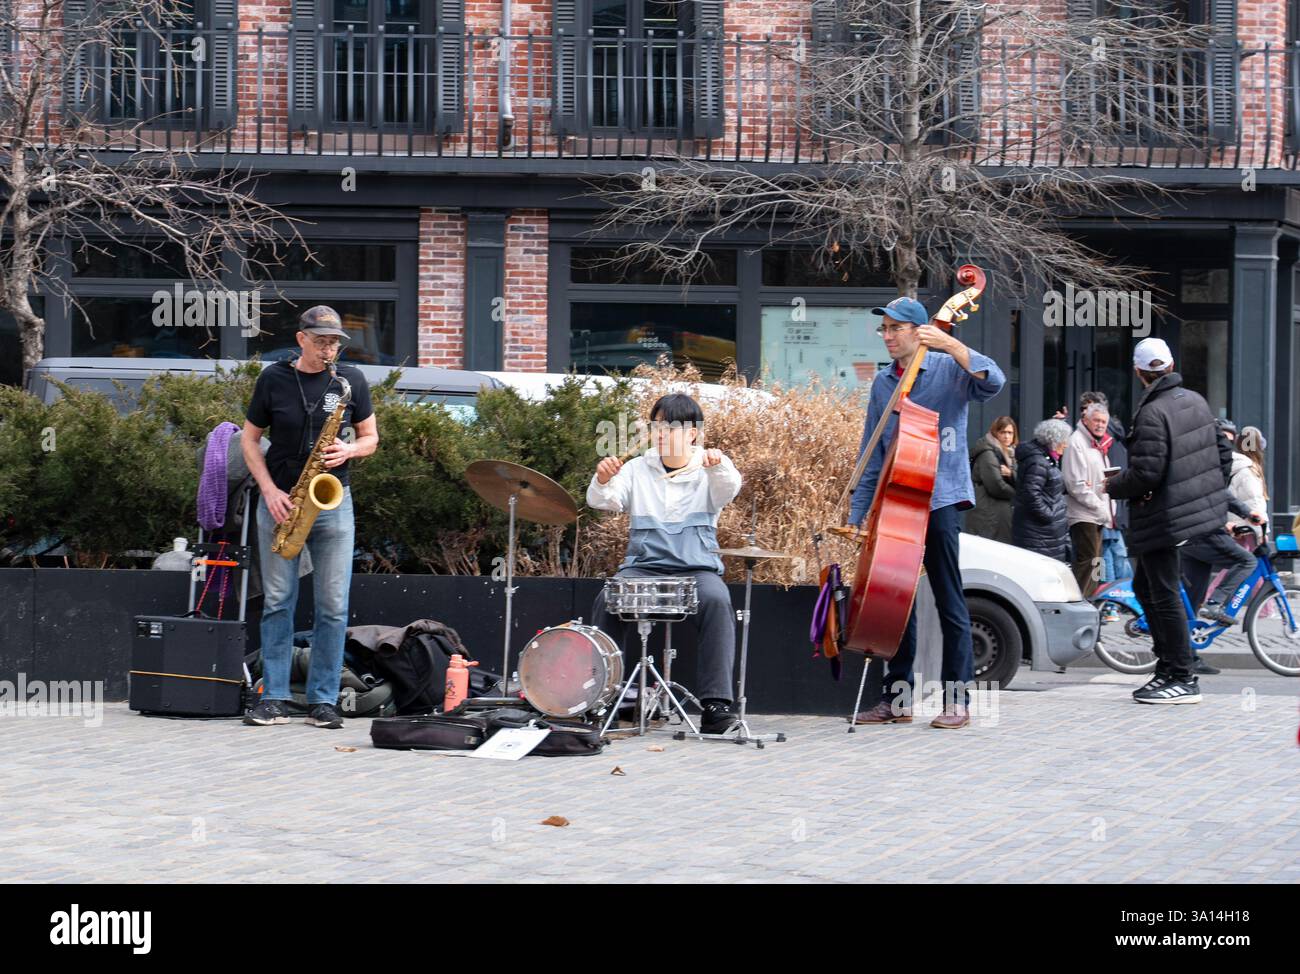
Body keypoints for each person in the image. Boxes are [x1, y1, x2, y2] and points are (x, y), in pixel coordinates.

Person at [847, 296, 1005, 729]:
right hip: (895, 502)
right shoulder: (883, 383)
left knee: (951, 599)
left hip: (939, 499)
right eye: (885, 329)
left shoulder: (950, 370)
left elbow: (994, 381)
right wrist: (857, 513)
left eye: (896, 328)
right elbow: (874, 451)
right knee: (897, 603)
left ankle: (958, 702)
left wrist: (953, 346)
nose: (888, 336)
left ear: (920, 331)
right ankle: (897, 700)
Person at [241, 307, 378, 727]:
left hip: (334, 502)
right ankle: (275, 697)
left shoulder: (349, 381)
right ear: (301, 339)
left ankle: (323, 700)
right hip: (281, 500)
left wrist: (349, 450)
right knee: (278, 602)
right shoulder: (273, 379)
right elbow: (249, 440)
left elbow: (372, 438)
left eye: (334, 342)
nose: (329, 349)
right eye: (321, 341)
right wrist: (268, 490)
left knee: (333, 606)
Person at [587, 393, 743, 735]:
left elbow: (729, 489)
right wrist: (601, 478)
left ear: (693, 433)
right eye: (657, 425)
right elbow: (602, 501)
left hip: (697, 568)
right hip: (644, 566)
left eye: (671, 426)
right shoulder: (636, 468)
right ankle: (602, 697)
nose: (661, 433)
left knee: (717, 600)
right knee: (608, 599)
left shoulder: (712, 465)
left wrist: (717, 467)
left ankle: (716, 706)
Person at [1105, 337, 1227, 705]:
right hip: (1191, 513)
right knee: (1148, 588)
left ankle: (1181, 675)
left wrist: (1113, 485)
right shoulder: (1196, 401)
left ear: (1139, 372)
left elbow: (1147, 473)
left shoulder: (1152, 411)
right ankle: (1170, 666)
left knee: (1163, 592)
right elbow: (1223, 455)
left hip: (1164, 517)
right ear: (1171, 366)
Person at [1179, 418, 1264, 644]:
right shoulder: (1202, 463)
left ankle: (1187, 654)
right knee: (1247, 561)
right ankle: (1215, 603)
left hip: (1191, 533)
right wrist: (1233, 519)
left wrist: (1246, 514)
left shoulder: (1204, 461)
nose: (1225, 447)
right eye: (1221, 441)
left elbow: (1219, 495)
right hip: (1200, 531)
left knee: (1192, 599)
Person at [1063, 402, 1116, 596]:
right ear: (1085, 420)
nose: (1100, 425)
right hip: (1084, 514)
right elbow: (1076, 484)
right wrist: (1102, 507)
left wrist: (1110, 505)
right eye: (1096, 420)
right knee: (1089, 559)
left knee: (1097, 560)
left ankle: (1095, 598)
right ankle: (1078, 600)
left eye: (1104, 421)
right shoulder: (1076, 441)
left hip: (1099, 514)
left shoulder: (1099, 444)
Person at [1012, 419, 1071, 562]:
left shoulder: (1045, 458)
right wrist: (1049, 515)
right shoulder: (1039, 461)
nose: (1066, 445)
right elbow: (1030, 494)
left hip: (1045, 534)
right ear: (1054, 441)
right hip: (1039, 534)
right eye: (1064, 440)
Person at [966, 416, 1017, 543]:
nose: (1006, 436)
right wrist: (1018, 494)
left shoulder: (1010, 453)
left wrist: (1011, 474)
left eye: (1010, 433)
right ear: (995, 433)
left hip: (998, 512)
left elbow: (1021, 477)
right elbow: (996, 486)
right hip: (988, 511)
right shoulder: (988, 453)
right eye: (1003, 432)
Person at [1228, 425, 1270, 545]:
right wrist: (1262, 533)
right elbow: (1254, 502)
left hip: (1235, 529)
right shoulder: (1248, 471)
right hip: (1247, 532)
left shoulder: (1234, 465)